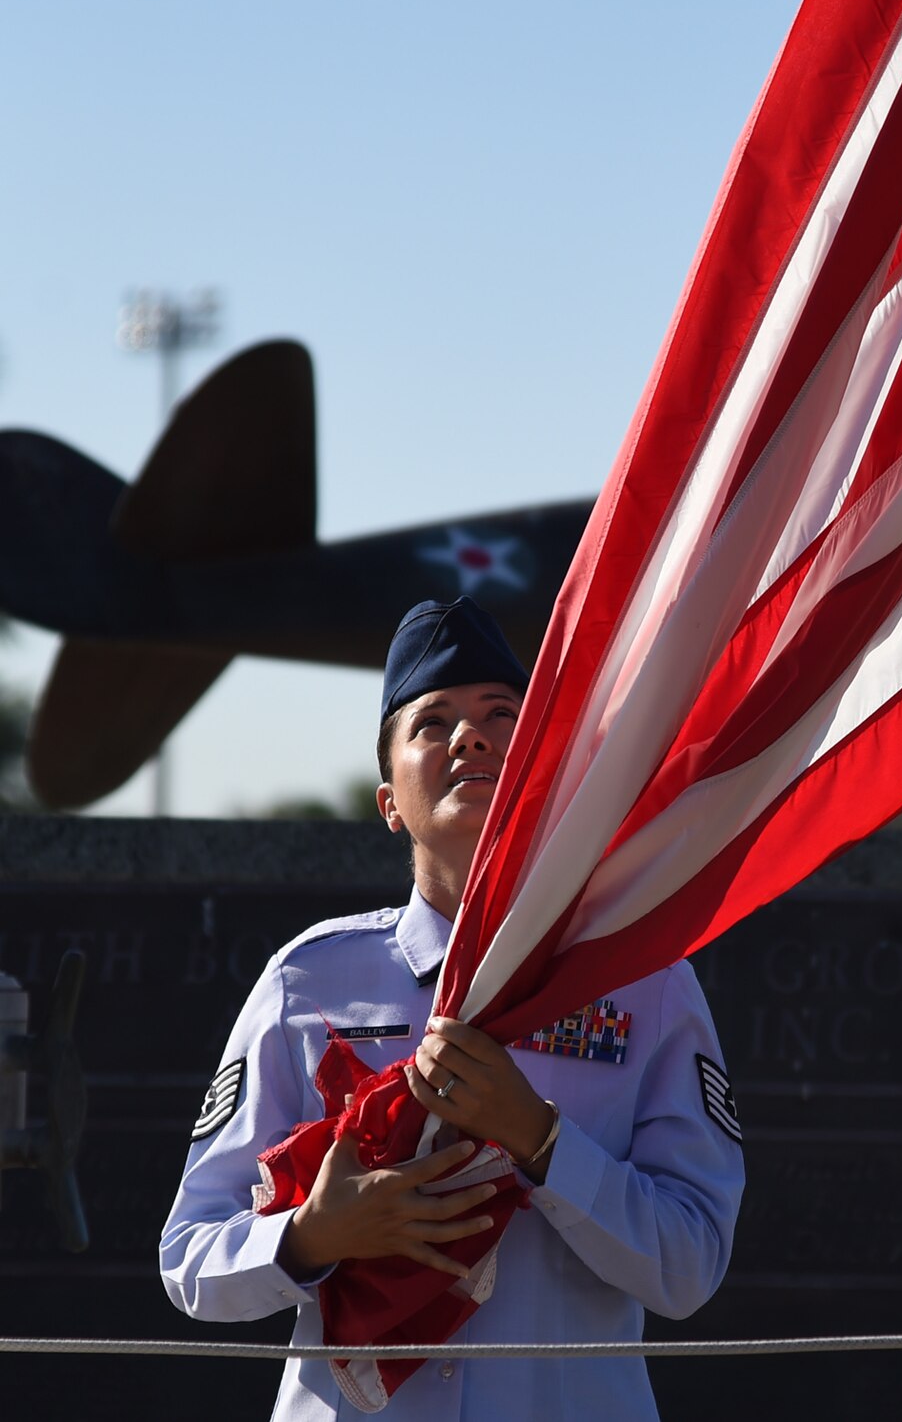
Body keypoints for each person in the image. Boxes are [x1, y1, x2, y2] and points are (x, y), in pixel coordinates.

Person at [161, 596, 744, 1420]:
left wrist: (542, 1143)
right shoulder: (308, 981)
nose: (470, 736)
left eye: (501, 715)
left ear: (544, 775)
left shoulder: (641, 979)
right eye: (431, 722)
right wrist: (315, 1235)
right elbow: (189, 1257)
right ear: (388, 800)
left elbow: (690, 1264)